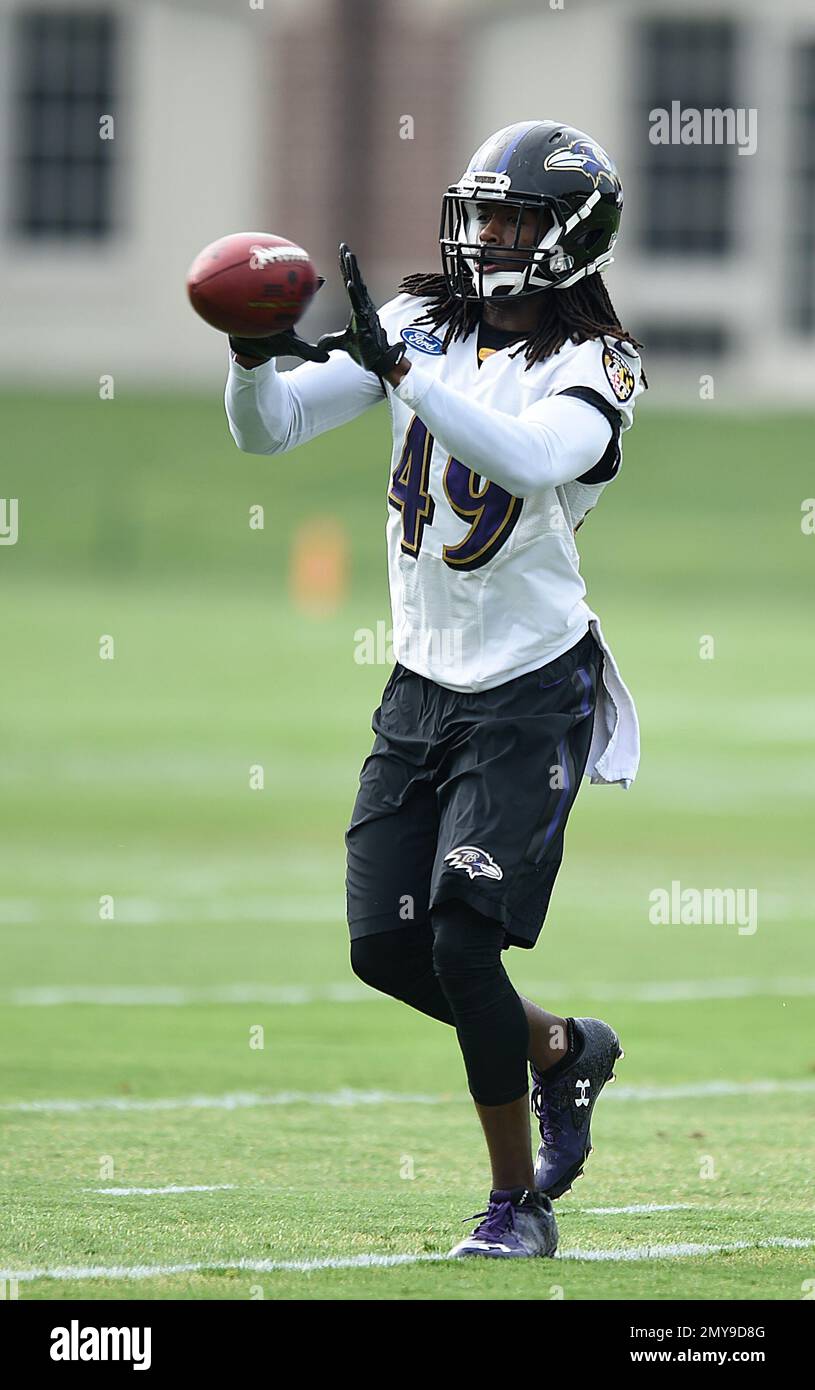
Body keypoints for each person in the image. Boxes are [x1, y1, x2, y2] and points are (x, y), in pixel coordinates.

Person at [225, 120, 645, 1259]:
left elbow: (528, 460)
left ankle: (516, 1205)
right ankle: (560, 1051)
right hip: (421, 685)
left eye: (511, 219)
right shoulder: (422, 326)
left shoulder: (594, 362)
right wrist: (250, 350)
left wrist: (401, 368)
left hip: (528, 687)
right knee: (383, 945)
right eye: (480, 213)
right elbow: (271, 436)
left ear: (566, 239)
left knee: (463, 937)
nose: (485, 236)